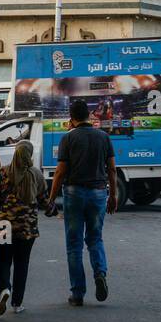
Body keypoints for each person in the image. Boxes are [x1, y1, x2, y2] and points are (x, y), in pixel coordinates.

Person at [48, 99, 117, 306]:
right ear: (89, 115)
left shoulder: (68, 138)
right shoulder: (103, 137)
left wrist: (51, 199)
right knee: (95, 238)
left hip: (74, 193)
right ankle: (100, 273)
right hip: (98, 193)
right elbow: (112, 169)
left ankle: (77, 293)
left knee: (74, 244)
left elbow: (60, 172)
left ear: (72, 118)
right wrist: (113, 195)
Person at [0, 140, 47, 316]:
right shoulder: (36, 174)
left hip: (5, 225)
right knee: (21, 264)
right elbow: (44, 201)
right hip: (27, 228)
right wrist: (54, 211)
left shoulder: (4, 172)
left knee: (4, 260)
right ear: (29, 154)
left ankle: (4, 289)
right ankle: (17, 303)